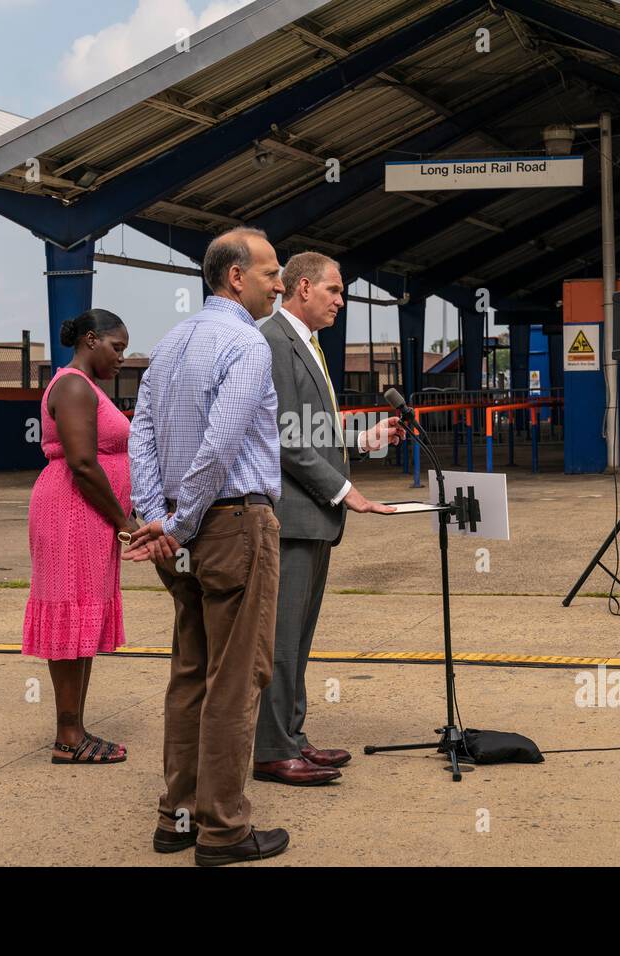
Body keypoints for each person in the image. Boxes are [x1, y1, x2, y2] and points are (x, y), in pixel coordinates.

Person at [125, 226, 289, 866]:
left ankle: (178, 816)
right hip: (229, 528)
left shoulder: (170, 345)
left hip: (181, 536)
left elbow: (141, 433)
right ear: (236, 278)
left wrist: (155, 515)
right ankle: (223, 830)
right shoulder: (247, 345)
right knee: (235, 679)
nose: (280, 284)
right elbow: (220, 446)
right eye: (272, 272)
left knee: (190, 671)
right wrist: (180, 520)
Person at [253, 252, 404, 786]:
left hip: (311, 517)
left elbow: (309, 431)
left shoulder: (307, 343)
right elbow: (284, 440)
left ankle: (291, 736)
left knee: (298, 637)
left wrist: (363, 442)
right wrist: (347, 492)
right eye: (334, 291)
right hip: (292, 518)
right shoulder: (272, 340)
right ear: (302, 288)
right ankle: (270, 749)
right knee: (279, 638)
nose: (341, 301)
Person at [22, 308, 137, 765]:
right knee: (71, 613)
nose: (122, 359)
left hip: (88, 514)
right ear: (91, 340)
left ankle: (77, 730)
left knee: (82, 616)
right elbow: (83, 462)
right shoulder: (72, 385)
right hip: (72, 510)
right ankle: (68, 736)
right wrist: (123, 522)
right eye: (117, 348)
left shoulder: (85, 387)